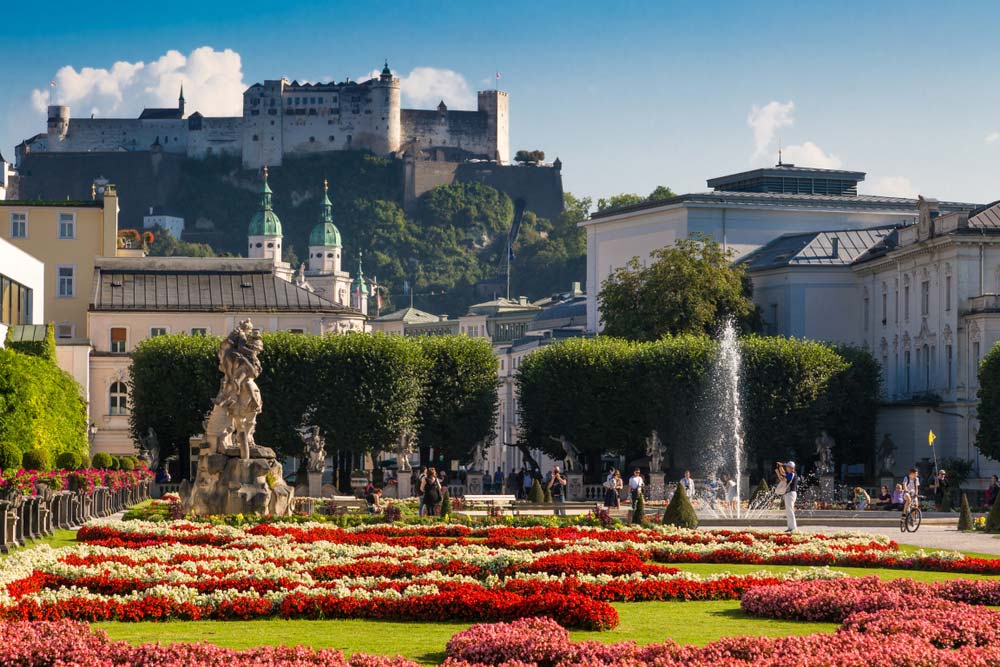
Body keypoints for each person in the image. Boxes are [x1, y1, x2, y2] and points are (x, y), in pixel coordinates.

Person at [781, 461, 798, 532]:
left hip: (790, 494)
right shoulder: (790, 473)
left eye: (787, 467)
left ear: (791, 468)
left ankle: (793, 528)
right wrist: (781, 466)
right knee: (789, 511)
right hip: (790, 494)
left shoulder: (791, 474)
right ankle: (790, 527)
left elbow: (783, 478)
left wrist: (780, 468)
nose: (786, 468)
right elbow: (784, 475)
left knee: (790, 511)